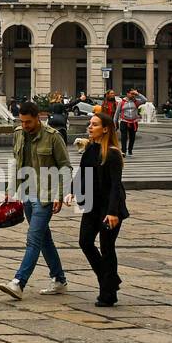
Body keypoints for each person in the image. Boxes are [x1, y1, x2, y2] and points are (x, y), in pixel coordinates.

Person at [0, 101, 73, 301]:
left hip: (46, 195)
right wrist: (10, 190)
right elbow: (15, 164)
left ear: (38, 117)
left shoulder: (53, 137)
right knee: (44, 239)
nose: (25, 126)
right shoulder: (18, 134)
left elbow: (65, 167)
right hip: (27, 194)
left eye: (28, 122)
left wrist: (60, 195)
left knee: (33, 239)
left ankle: (18, 282)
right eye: (22, 122)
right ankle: (59, 279)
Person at [71, 111, 129, 307]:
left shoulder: (112, 153)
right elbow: (82, 173)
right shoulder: (90, 148)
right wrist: (71, 191)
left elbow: (115, 186)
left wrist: (113, 212)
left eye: (94, 124)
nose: (90, 127)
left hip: (109, 208)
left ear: (105, 129)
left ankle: (108, 293)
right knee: (85, 242)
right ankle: (110, 280)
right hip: (91, 205)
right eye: (90, 124)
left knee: (107, 247)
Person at [118, 89, 147, 156]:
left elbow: (145, 100)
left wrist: (138, 94)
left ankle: (130, 150)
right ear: (127, 94)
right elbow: (117, 113)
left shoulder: (136, 102)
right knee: (123, 137)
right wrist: (115, 122)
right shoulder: (122, 102)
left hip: (133, 122)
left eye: (133, 94)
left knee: (132, 137)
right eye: (131, 93)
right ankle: (123, 151)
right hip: (124, 121)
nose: (133, 95)